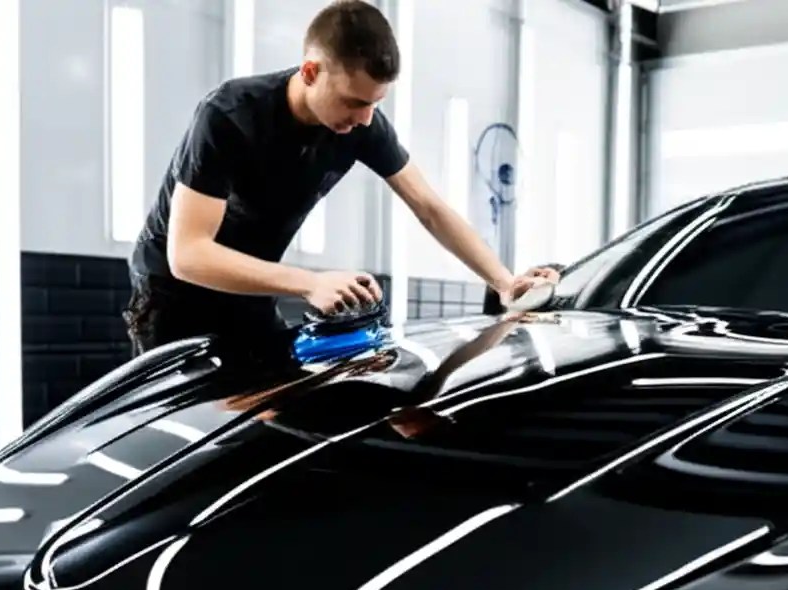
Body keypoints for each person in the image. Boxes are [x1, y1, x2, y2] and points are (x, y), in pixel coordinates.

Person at [123, 0, 558, 355]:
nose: (365, 118)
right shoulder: (229, 115)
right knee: (186, 427)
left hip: (250, 291)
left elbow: (430, 208)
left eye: (375, 103)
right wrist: (311, 282)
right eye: (353, 101)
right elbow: (189, 255)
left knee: (271, 409)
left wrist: (504, 283)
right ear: (310, 72)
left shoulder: (362, 126)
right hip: (173, 295)